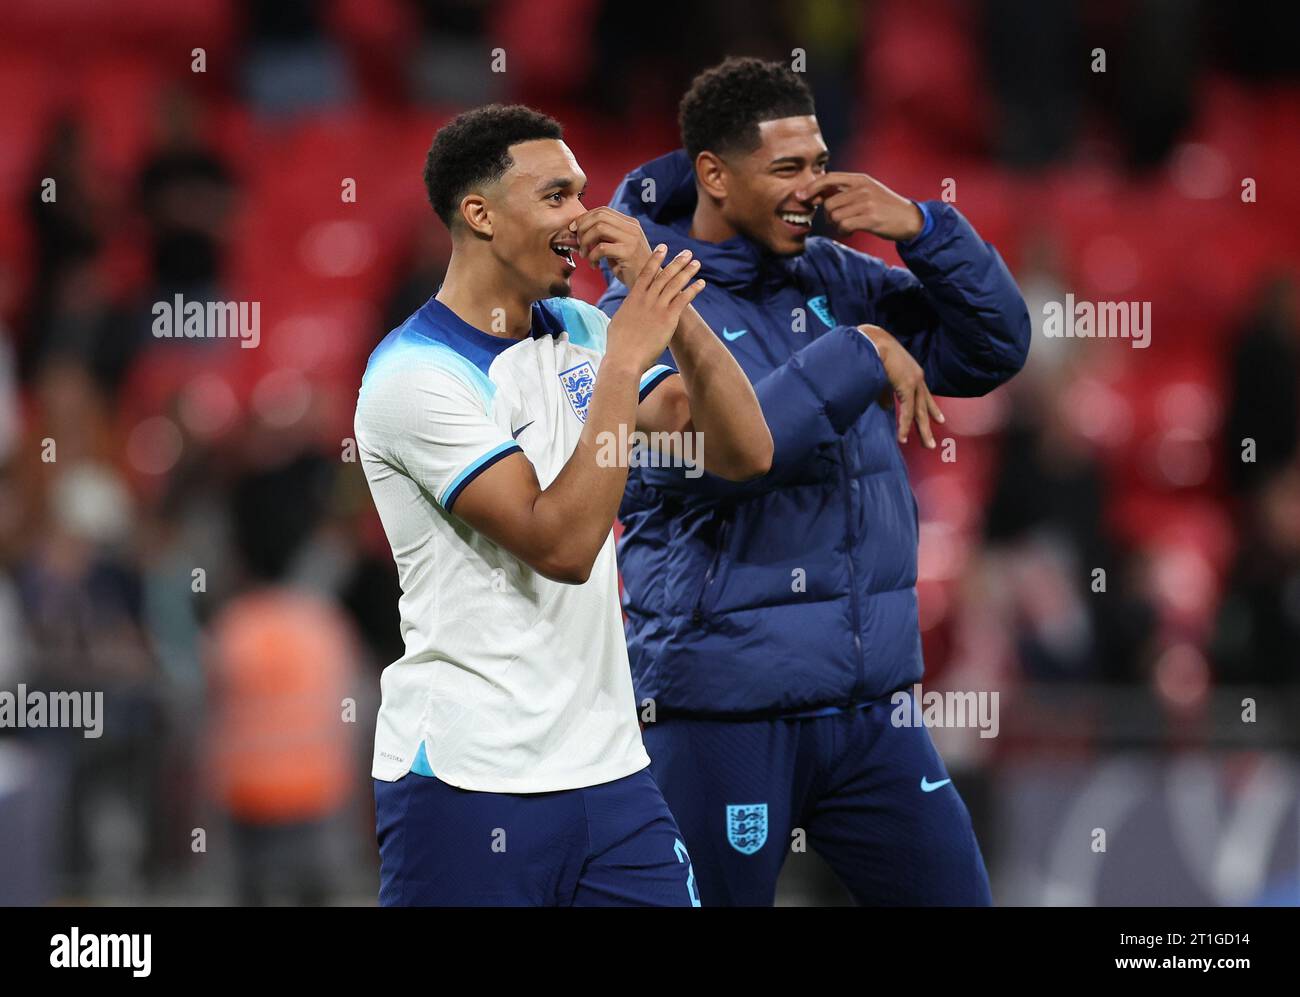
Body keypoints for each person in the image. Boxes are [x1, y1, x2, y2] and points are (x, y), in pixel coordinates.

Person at [597, 58, 1030, 905]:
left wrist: (920, 227)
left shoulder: (832, 277)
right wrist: (859, 351)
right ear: (715, 175)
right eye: (787, 169)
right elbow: (720, 459)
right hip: (724, 708)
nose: (813, 188)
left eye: (820, 162)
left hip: (872, 707)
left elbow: (993, 348)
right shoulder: (640, 312)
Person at [354, 104, 772, 906]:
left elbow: (743, 448)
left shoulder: (579, 327)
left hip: (612, 775)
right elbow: (564, 544)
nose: (584, 217)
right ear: (479, 214)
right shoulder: (415, 376)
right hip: (470, 781)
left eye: (582, 194)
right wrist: (621, 362)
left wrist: (668, 308)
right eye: (556, 197)